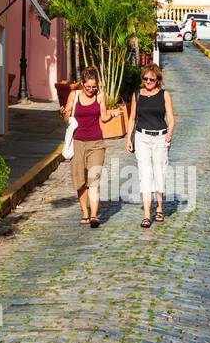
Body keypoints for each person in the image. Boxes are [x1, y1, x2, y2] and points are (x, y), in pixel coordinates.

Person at [62, 67, 123, 228]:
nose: (91, 90)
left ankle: (94, 215)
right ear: (82, 84)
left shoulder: (100, 96)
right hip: (77, 143)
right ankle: (85, 214)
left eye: (94, 87)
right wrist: (64, 114)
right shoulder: (74, 96)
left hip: (96, 143)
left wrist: (112, 115)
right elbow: (67, 119)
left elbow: (103, 117)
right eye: (88, 87)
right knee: (80, 180)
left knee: (94, 179)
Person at [124, 64, 175, 228]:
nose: (148, 81)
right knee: (145, 174)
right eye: (145, 79)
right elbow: (132, 118)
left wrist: (170, 132)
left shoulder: (164, 95)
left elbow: (171, 118)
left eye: (151, 79)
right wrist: (128, 139)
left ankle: (159, 208)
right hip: (142, 137)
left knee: (159, 173)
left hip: (160, 138)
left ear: (158, 80)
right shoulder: (137, 94)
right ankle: (147, 214)